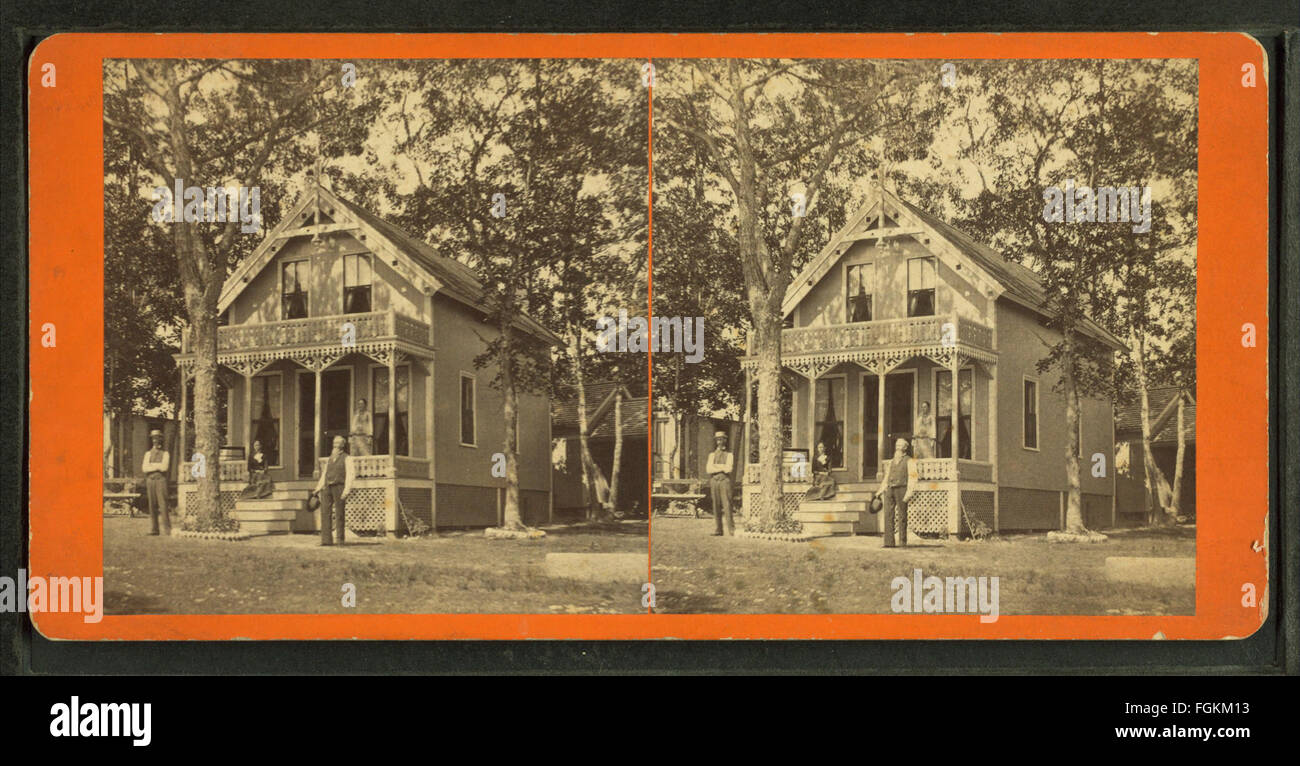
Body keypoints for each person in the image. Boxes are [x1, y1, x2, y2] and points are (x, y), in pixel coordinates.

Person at [876, 437, 918, 548]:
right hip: (890, 489)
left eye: (900, 446)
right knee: (888, 515)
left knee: (902, 516)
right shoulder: (891, 461)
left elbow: (913, 478)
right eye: (897, 445)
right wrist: (880, 490)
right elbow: (886, 477)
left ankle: (902, 542)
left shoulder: (910, 461)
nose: (898, 448)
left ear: (905, 448)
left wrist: (909, 493)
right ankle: (889, 542)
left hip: (902, 489)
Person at [314, 435, 354, 546]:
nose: (335, 445)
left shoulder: (347, 458)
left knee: (339, 513)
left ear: (343, 445)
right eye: (334, 443)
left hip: (339, 487)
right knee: (325, 512)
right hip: (327, 487)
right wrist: (318, 488)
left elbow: (350, 475)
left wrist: (346, 491)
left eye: (338, 443)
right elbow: (324, 475)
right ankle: (326, 540)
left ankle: (340, 540)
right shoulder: (329, 459)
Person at [141, 429, 171, 536]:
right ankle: (154, 529)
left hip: (160, 480)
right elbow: (144, 468)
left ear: (161, 439)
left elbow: (164, 467)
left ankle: (167, 529)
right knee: (152, 505)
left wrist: (152, 466)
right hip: (150, 481)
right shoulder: (148, 454)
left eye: (157, 438)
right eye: (153, 438)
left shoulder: (165, 453)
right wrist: (157, 466)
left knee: (163, 504)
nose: (155, 440)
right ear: (151, 439)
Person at [706, 431, 735, 536]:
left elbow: (729, 469)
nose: (719, 441)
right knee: (716, 505)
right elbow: (709, 469)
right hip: (714, 481)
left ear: (725, 440)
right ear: (715, 441)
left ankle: (731, 529)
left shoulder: (729, 455)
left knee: (727, 505)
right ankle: (718, 529)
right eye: (718, 439)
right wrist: (721, 467)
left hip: (724, 481)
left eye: (722, 439)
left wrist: (716, 467)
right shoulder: (711, 455)